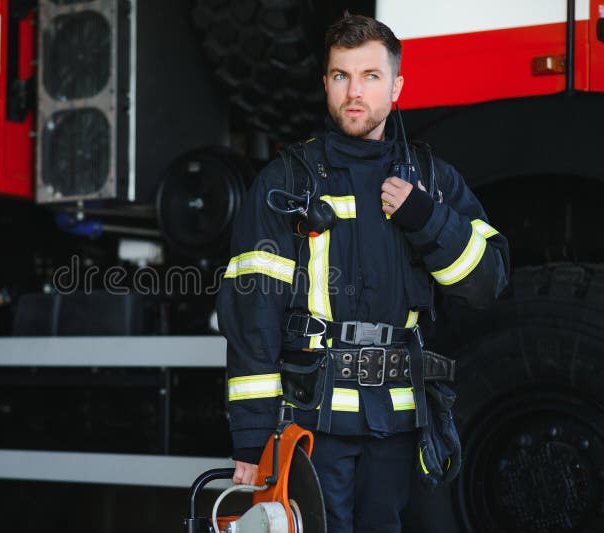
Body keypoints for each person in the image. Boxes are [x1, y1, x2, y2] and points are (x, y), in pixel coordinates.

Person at [216, 14, 510, 533]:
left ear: (396, 86)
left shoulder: (433, 181)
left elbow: (488, 284)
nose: (354, 92)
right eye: (340, 76)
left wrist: (428, 219)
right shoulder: (287, 182)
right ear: (326, 83)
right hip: (310, 425)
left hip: (399, 423)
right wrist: (253, 436)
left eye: (370, 76)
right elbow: (250, 315)